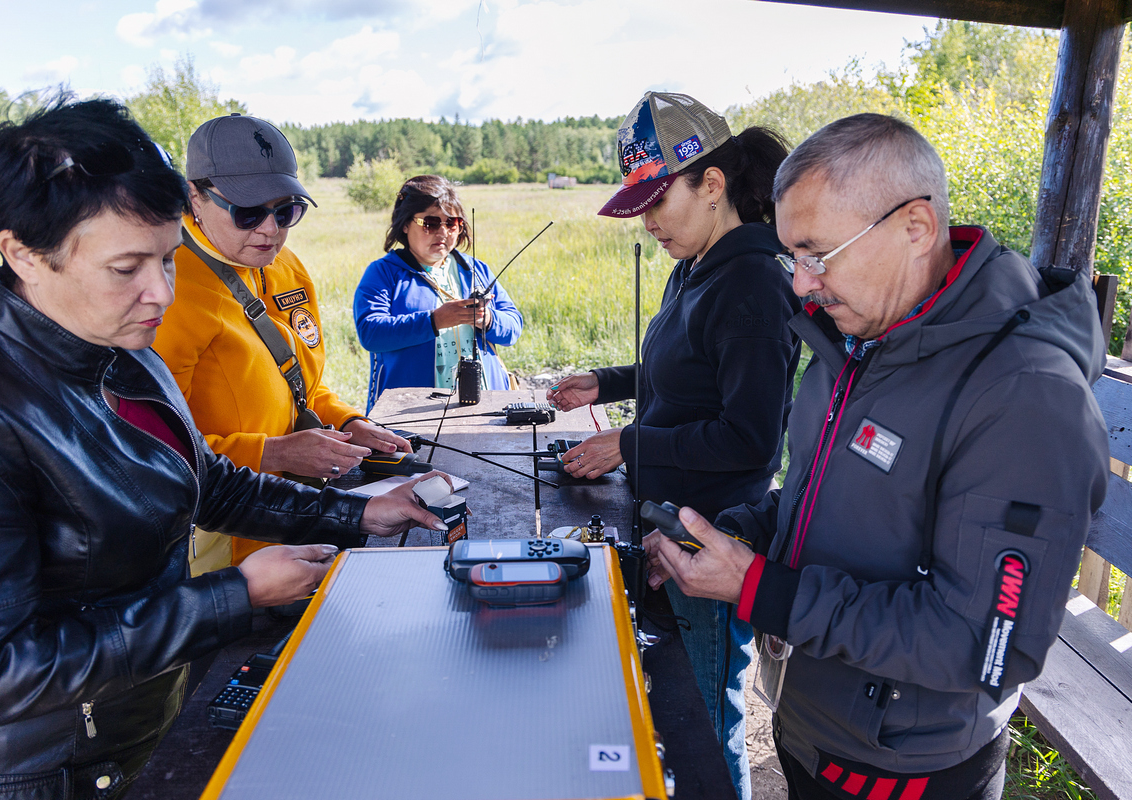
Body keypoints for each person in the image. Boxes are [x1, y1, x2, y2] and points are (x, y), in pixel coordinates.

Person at [0, 98, 448, 800]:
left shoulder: (120, 349)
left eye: (169, 259)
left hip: (137, 718)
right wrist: (230, 598)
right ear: (22, 251)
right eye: (126, 268)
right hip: (36, 770)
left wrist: (357, 516)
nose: (160, 293)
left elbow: (207, 482)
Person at [646, 113, 1109, 800]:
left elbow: (982, 643)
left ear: (915, 228)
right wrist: (742, 534)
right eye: (791, 256)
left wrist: (760, 588)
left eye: (816, 253)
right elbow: (823, 500)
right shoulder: (859, 336)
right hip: (818, 728)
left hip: (906, 769)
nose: (800, 285)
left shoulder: (1025, 395)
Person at [547, 91, 803, 800]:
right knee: (671, 702)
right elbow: (683, 373)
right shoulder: (696, 264)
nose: (649, 221)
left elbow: (750, 440)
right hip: (665, 522)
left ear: (712, 184)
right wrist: (604, 383)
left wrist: (629, 446)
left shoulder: (751, 284)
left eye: (659, 200)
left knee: (704, 720)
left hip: (712, 537)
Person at [153, 113, 413, 572]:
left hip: (304, 512)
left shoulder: (284, 265)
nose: (271, 229)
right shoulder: (163, 290)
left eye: (287, 210)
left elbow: (299, 384)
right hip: (226, 548)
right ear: (195, 197)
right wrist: (273, 453)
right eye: (247, 211)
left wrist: (347, 421)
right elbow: (155, 452)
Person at [353, 174, 523, 412]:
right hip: (409, 412)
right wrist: (434, 321)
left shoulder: (476, 269)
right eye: (430, 223)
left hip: (483, 405)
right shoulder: (383, 273)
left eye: (451, 223)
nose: (442, 232)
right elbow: (371, 333)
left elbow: (514, 327)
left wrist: (488, 320)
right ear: (405, 223)